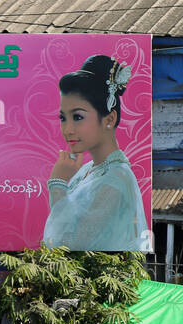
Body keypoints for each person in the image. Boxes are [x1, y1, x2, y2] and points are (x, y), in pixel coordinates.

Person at [43, 55, 148, 250]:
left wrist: (57, 183)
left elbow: (70, 246)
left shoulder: (117, 178)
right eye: (63, 118)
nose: (68, 129)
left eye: (77, 117)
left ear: (109, 119)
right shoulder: (87, 170)